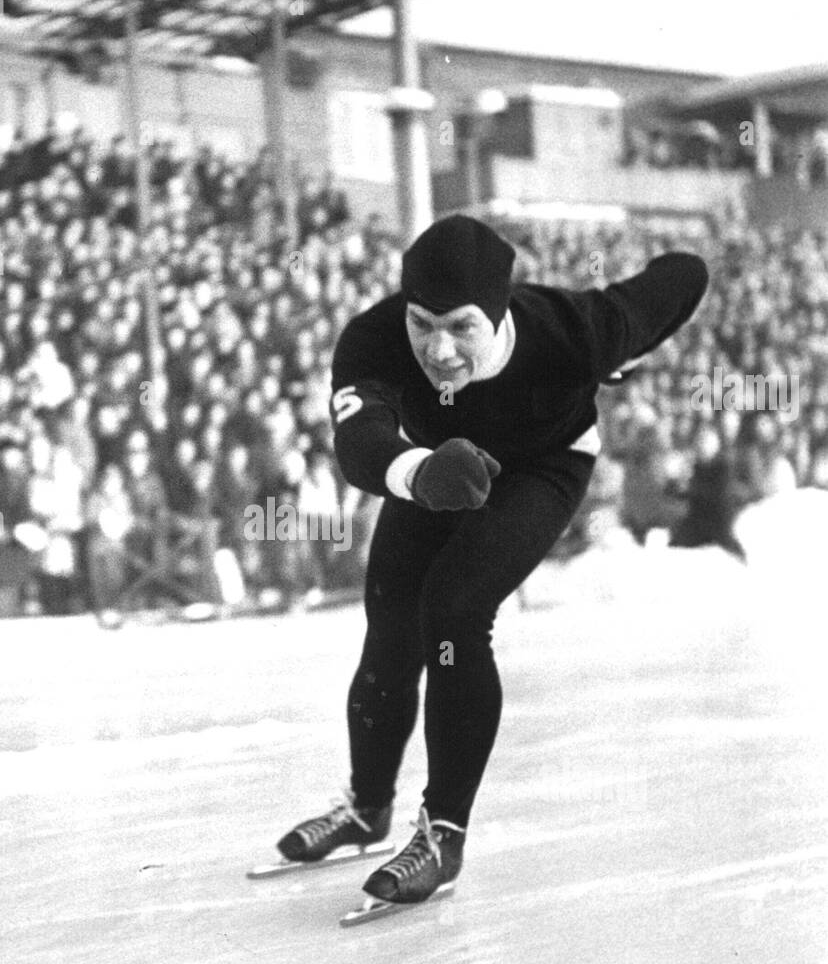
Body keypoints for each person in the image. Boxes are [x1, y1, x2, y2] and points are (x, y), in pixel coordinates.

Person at [276, 214, 709, 905]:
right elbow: (359, 441)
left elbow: (686, 272)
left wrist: (632, 344)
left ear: (501, 316)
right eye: (423, 324)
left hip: (543, 465)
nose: (438, 349)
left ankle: (443, 832)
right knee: (390, 619)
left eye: (461, 328)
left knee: (454, 607)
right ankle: (366, 807)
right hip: (436, 464)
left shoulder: (576, 329)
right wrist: (418, 473)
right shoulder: (374, 338)